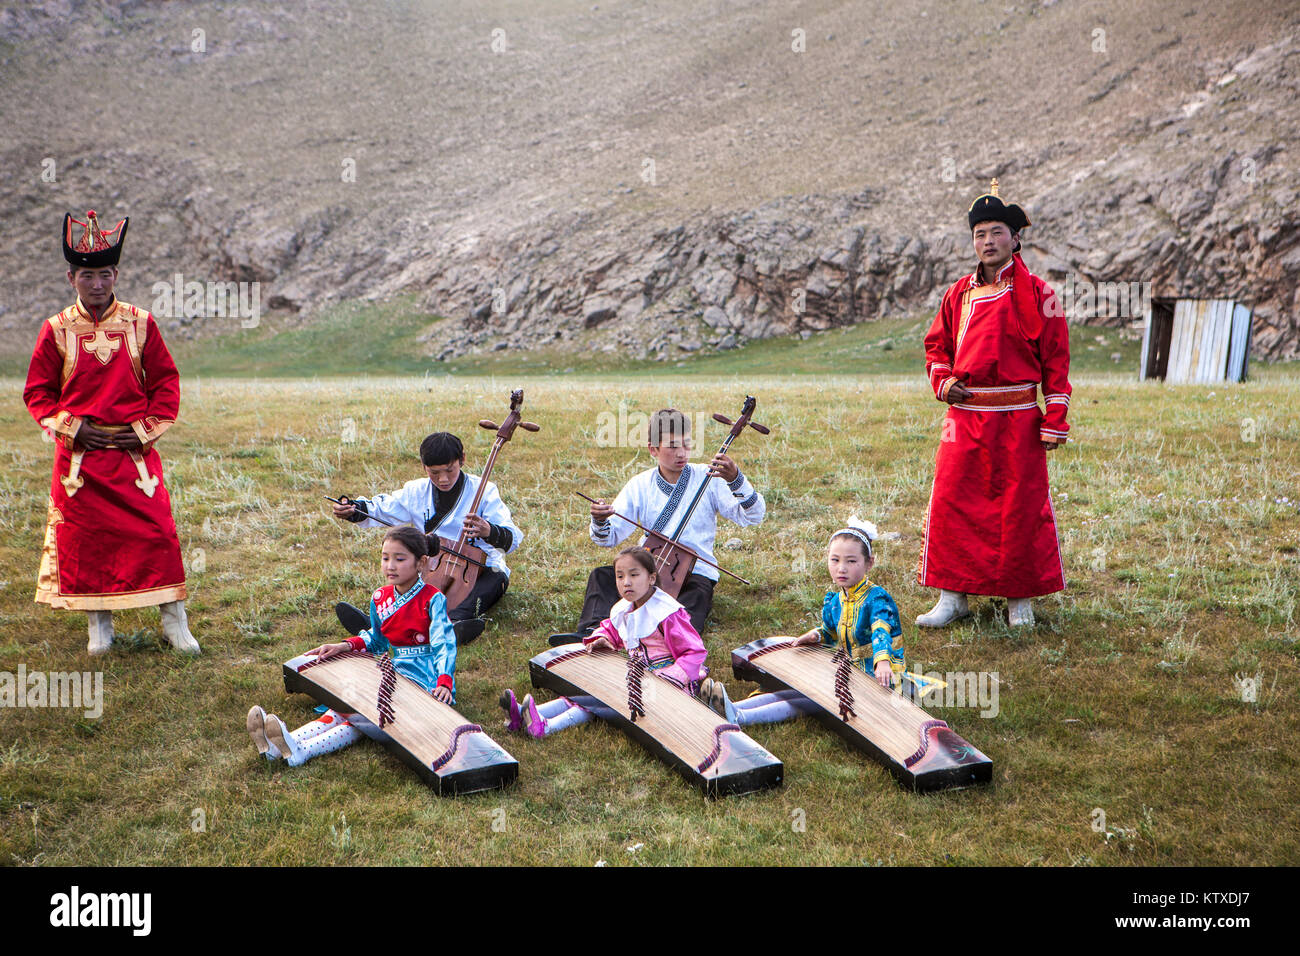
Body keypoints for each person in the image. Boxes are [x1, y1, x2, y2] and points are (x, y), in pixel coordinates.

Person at [22, 210, 199, 655]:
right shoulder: (57, 330)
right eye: (87, 275)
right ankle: (99, 627)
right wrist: (73, 428)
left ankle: (174, 622)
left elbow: (165, 384)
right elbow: (38, 393)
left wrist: (141, 431)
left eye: (104, 274)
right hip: (79, 462)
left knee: (157, 533)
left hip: (134, 458)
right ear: (71, 278)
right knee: (85, 540)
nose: (97, 284)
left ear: (115, 273)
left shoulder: (141, 323)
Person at [916, 179, 1071, 629]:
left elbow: (1056, 364)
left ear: (1015, 238)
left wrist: (1054, 418)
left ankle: (1020, 598)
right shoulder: (957, 294)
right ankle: (952, 594)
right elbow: (936, 348)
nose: (988, 241)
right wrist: (943, 382)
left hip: (1019, 417)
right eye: (980, 234)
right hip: (963, 418)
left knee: (1019, 507)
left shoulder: (1040, 295)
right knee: (952, 501)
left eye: (997, 232)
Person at [548, 408, 764, 645]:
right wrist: (600, 519)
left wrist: (735, 479)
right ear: (653, 449)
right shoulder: (641, 484)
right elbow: (608, 537)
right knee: (602, 577)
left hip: (694, 571)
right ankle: (592, 634)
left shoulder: (709, 477)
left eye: (687, 445)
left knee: (697, 595)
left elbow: (753, 516)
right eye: (672, 446)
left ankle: (668, 644)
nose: (681, 453)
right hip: (650, 566)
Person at [247, 526, 457, 766]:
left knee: (365, 716)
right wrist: (345, 646)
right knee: (344, 706)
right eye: (385, 558)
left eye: (399, 559)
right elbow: (377, 641)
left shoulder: (432, 599)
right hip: (394, 669)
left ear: (421, 563)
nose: (390, 566)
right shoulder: (380, 597)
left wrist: (444, 682)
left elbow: (444, 644)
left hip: (425, 677)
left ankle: (302, 750)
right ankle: (280, 744)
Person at [702, 518, 907, 725]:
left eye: (851, 561)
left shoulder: (877, 598)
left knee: (817, 699)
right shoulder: (837, 601)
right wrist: (816, 635)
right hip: (851, 670)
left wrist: (882, 662)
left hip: (879, 675)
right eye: (835, 560)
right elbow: (830, 632)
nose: (841, 568)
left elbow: (881, 630)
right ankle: (732, 707)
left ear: (869, 563)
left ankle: (740, 717)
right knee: (800, 691)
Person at [331, 431, 521, 642]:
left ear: (462, 460)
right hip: (433, 566)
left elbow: (512, 539)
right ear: (424, 467)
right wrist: (354, 509)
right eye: (434, 473)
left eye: (450, 470)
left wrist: (489, 531)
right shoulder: (416, 490)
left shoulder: (484, 491)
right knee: (408, 563)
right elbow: (384, 508)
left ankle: (454, 625)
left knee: (493, 578)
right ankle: (380, 622)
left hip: (479, 570)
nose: (443, 479)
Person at [501, 547, 706, 738]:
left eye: (634, 575)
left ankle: (547, 726)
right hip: (639, 675)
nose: (626, 582)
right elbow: (612, 629)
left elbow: (694, 652)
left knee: (603, 700)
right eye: (620, 576)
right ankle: (523, 713)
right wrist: (603, 639)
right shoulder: (625, 608)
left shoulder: (667, 613)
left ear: (652, 578)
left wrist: (668, 678)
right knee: (590, 692)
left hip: (668, 684)